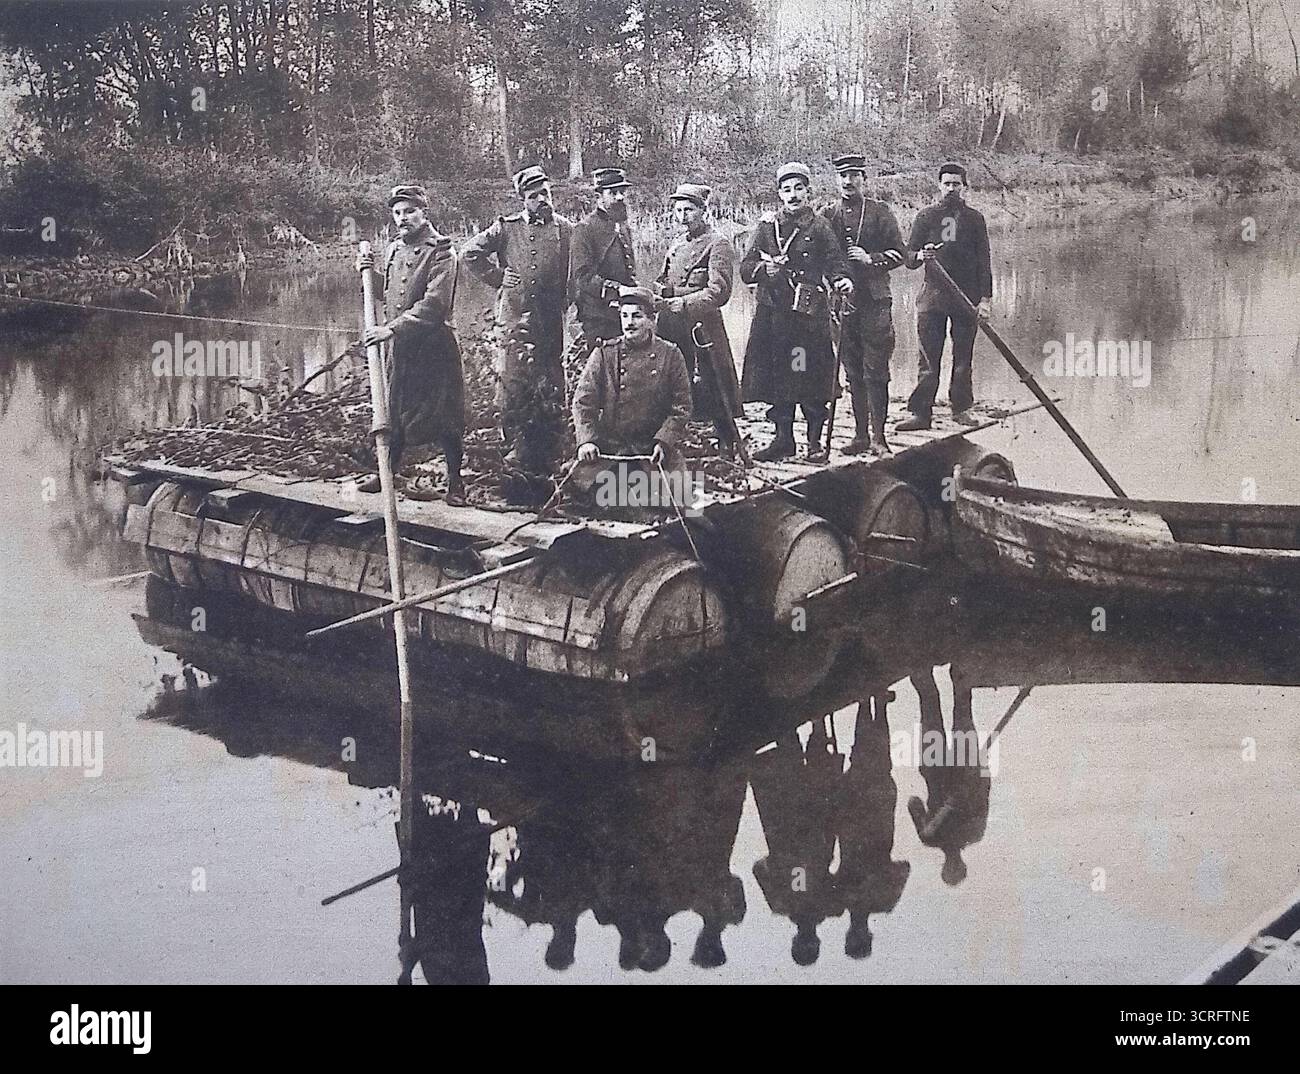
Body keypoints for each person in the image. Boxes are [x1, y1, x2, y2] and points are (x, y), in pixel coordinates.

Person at [357, 184, 465, 505]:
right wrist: (366, 274)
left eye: (409, 212)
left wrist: (390, 330)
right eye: (398, 213)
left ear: (424, 212)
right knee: (393, 411)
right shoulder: (392, 250)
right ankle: (386, 472)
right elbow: (388, 293)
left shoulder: (442, 251)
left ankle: (456, 483)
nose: (403, 219)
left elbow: (434, 304)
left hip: (433, 348)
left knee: (446, 417)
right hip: (401, 348)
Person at [461, 164, 573, 474]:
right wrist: (498, 277)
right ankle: (511, 445)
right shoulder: (505, 228)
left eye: (546, 193)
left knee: (551, 375)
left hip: (549, 319)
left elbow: (577, 270)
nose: (542, 200)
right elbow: (470, 253)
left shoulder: (566, 229)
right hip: (512, 318)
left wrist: (567, 299)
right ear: (523, 199)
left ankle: (552, 442)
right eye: (534, 196)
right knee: (511, 378)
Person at [740, 161, 853, 463]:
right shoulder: (766, 226)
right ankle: (783, 440)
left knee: (809, 378)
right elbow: (746, 268)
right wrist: (765, 269)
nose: (793, 196)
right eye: (787, 190)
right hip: (774, 318)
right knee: (778, 378)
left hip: (806, 319)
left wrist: (842, 280)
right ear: (779, 193)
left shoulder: (819, 227)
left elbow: (836, 262)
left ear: (808, 191)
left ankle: (814, 442)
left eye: (798, 189)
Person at [570, 287, 692, 507]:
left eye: (637, 316)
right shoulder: (605, 353)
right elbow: (582, 401)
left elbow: (681, 407)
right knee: (583, 495)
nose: (629, 323)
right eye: (624, 316)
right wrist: (587, 441)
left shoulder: (671, 355)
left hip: (652, 450)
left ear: (652, 320)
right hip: (611, 449)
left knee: (677, 505)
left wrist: (664, 442)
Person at [820, 153, 906, 456]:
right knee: (852, 370)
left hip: (875, 303)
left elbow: (901, 253)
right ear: (836, 179)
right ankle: (859, 436)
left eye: (854, 175)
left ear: (863, 179)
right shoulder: (827, 215)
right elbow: (818, 255)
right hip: (842, 305)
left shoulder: (880, 212)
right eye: (842, 176)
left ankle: (879, 437)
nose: (848, 181)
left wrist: (872, 260)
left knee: (876, 371)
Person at [898, 163, 993, 431]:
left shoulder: (975, 219)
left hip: (966, 299)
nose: (951, 189)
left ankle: (961, 408)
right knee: (928, 358)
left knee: (963, 358)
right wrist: (920, 255)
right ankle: (920, 413)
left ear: (964, 187)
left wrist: (985, 300)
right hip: (933, 299)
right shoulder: (926, 217)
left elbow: (984, 261)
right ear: (939, 186)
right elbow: (908, 258)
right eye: (947, 184)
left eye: (956, 184)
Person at [653, 183, 744, 458]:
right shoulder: (676, 245)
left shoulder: (719, 244)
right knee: (677, 383)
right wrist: (659, 293)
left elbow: (719, 291)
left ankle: (727, 441)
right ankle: (684, 437)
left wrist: (683, 300)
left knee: (713, 384)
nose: (683, 216)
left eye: (689, 210)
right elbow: (663, 280)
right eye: (678, 210)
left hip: (702, 328)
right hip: (672, 326)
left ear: (703, 211)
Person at [569, 167, 638, 347]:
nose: (620, 197)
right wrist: (616, 291)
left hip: (625, 314)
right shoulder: (584, 229)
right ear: (598, 196)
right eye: (613, 192)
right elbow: (583, 277)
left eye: (622, 192)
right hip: (598, 318)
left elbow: (629, 270)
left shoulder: (623, 227)